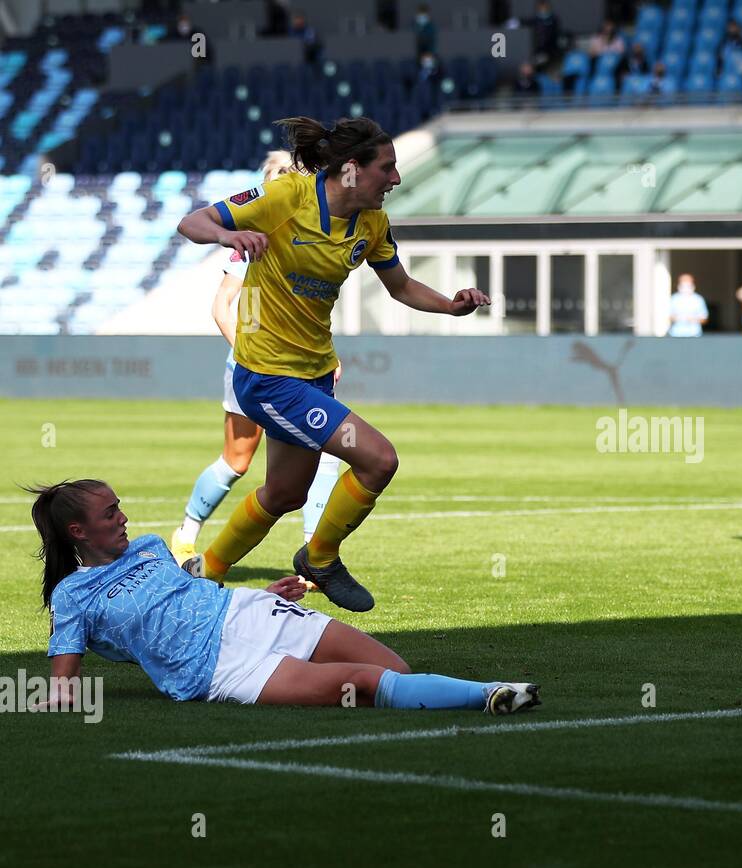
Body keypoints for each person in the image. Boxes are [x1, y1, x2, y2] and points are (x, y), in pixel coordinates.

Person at [176, 116, 490, 612]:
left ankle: (203, 574)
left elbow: (402, 287)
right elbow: (192, 222)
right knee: (378, 459)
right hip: (269, 377)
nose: (396, 179)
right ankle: (320, 556)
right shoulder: (288, 197)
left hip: (315, 374)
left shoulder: (371, 224)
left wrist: (451, 305)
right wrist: (228, 237)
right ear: (351, 169)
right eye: (386, 168)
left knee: (284, 494)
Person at [28, 480, 539, 712]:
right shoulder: (75, 594)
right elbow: (64, 676)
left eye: (119, 507)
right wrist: (56, 697)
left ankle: (478, 693)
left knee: (396, 672)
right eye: (110, 513)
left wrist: (261, 592)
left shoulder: (150, 547)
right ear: (78, 530)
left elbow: (189, 591)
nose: (124, 518)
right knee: (362, 684)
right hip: (217, 665)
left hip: (247, 611)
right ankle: (491, 693)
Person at [169, 151, 342, 569]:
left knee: (322, 452)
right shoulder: (251, 246)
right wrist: (249, 353)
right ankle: (187, 536)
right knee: (237, 461)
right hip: (255, 369)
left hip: (298, 368)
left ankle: (313, 555)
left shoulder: (308, 242)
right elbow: (222, 307)